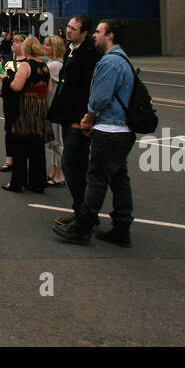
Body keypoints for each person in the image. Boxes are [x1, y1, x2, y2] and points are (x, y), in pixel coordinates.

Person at [53, 20, 138, 245]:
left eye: (99, 32)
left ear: (110, 36)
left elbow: (99, 98)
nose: (95, 36)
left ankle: (84, 225)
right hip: (122, 128)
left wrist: (88, 119)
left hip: (109, 127)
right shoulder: (123, 59)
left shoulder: (109, 62)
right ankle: (121, 226)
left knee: (97, 178)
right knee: (119, 178)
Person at [48, 16, 101, 230]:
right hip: (67, 115)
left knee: (73, 164)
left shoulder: (88, 55)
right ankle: (81, 211)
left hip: (77, 120)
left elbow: (86, 90)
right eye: (68, 27)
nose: (68, 31)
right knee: (73, 165)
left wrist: (83, 118)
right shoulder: (72, 50)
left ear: (84, 33)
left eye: (73, 28)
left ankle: (84, 214)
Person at [1, 35, 49, 194]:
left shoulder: (26, 66)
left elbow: (16, 86)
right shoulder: (44, 66)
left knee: (20, 146)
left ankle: (17, 182)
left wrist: (5, 78)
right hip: (40, 108)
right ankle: (38, 182)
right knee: (37, 147)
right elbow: (47, 90)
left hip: (25, 108)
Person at [43, 35, 66, 188]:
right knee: (53, 142)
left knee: (56, 142)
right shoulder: (53, 64)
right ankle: (54, 171)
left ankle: (61, 174)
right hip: (54, 107)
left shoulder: (54, 66)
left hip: (53, 107)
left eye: (48, 46)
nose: (45, 48)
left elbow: (48, 89)